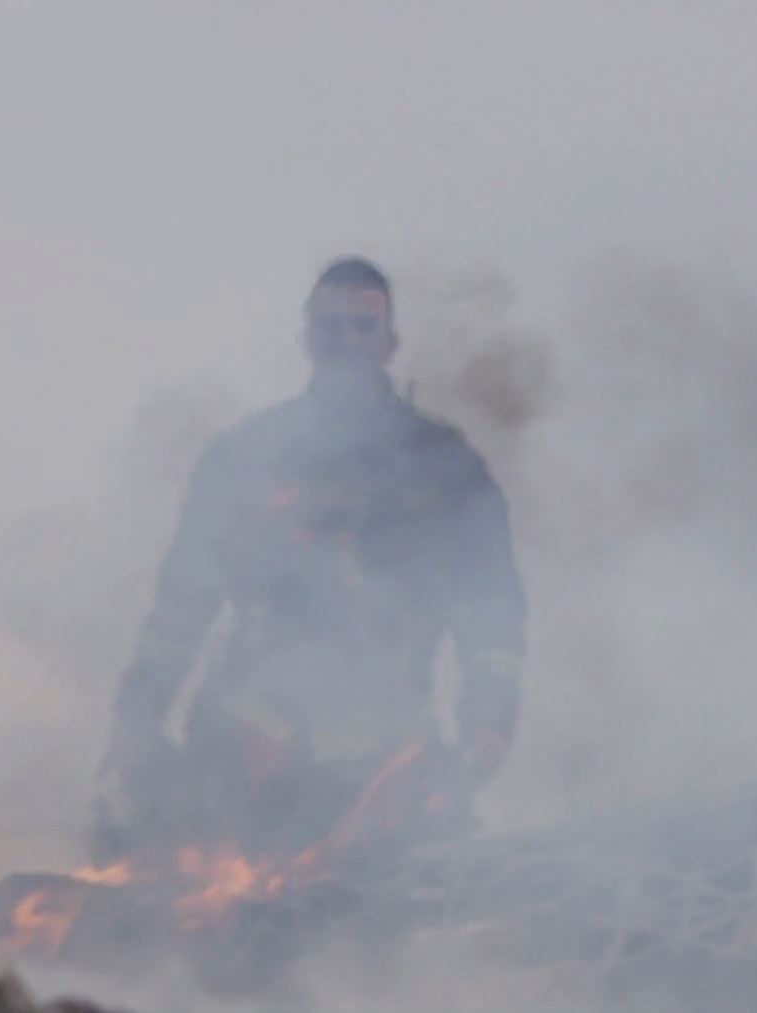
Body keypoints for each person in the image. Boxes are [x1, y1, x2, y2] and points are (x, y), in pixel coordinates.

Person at [91, 257, 528, 864]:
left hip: (388, 773)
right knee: (234, 928)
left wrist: (490, 720)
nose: (345, 339)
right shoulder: (244, 458)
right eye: (330, 326)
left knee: (385, 942)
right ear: (307, 340)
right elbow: (180, 606)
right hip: (249, 764)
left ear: (390, 343)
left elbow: (492, 613)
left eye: (360, 326)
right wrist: (137, 715)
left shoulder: (446, 467)